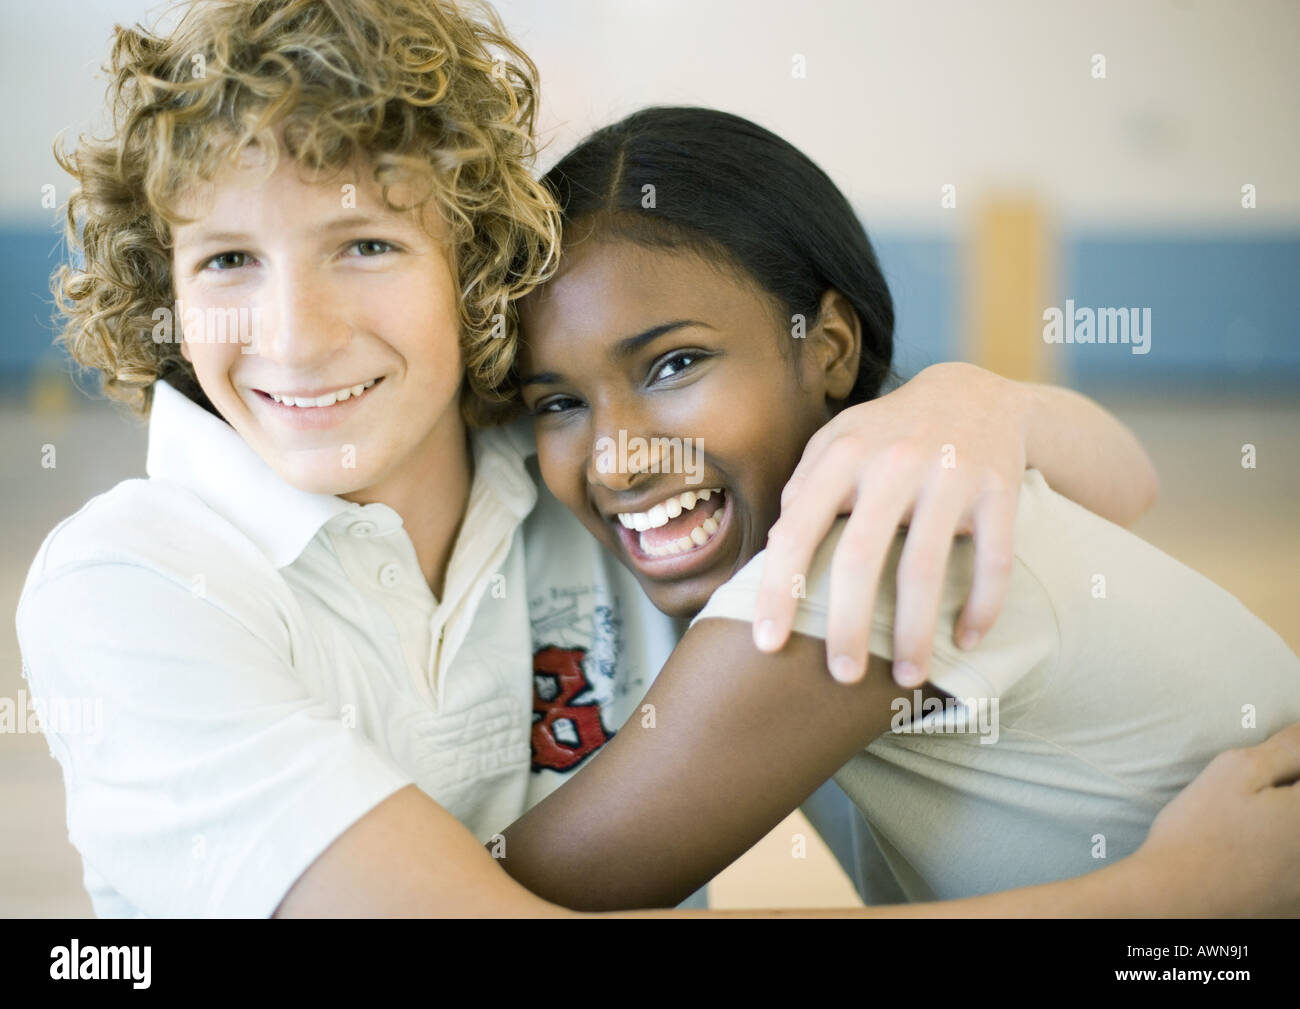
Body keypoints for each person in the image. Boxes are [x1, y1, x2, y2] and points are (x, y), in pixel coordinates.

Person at [13, 0, 1297, 918]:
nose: (294, 333)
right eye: (227, 258)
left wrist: (970, 403)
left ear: (473, 278)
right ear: (164, 290)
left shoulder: (658, 506)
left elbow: (1114, 480)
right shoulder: (130, 584)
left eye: (366, 245)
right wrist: (1166, 906)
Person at [492, 105, 1300, 910]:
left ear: (830, 346)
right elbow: (1134, 482)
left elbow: (512, 898)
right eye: (558, 402)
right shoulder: (903, 472)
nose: (619, 458)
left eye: (675, 364)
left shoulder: (863, 555)